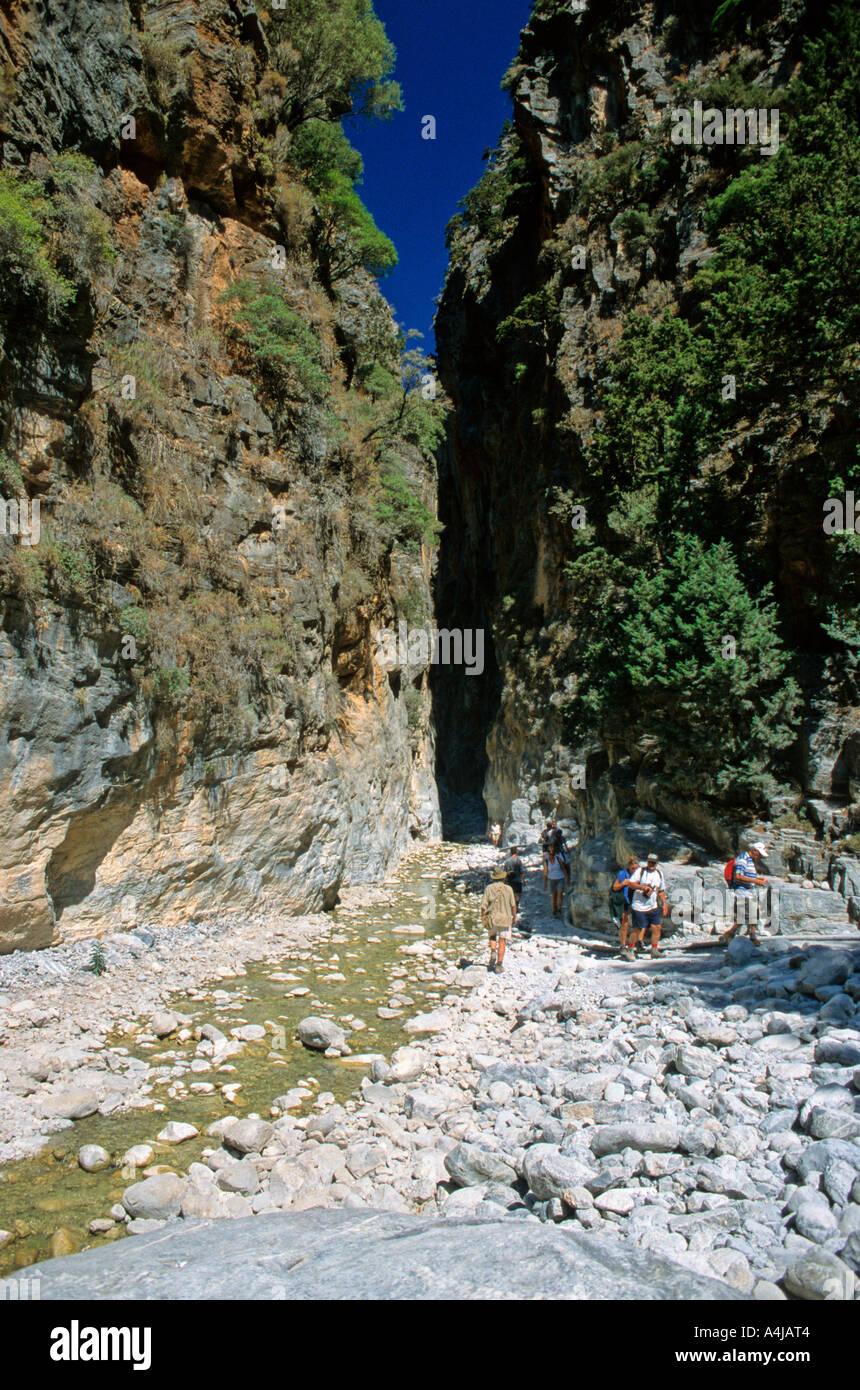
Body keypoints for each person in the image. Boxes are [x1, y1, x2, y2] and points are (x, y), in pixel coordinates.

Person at [721, 841, 769, 946]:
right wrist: (757, 881)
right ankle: (751, 937)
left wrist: (758, 878)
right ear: (754, 851)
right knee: (749, 916)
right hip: (742, 893)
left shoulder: (749, 860)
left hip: (748, 892)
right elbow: (738, 876)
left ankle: (732, 934)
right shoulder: (743, 860)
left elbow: (747, 875)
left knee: (747, 916)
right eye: (760, 854)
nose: (760, 857)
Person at [628, 852, 668, 958]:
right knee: (638, 929)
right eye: (650, 862)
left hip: (652, 906)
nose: (651, 864)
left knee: (657, 927)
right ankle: (630, 949)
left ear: (657, 863)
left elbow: (661, 891)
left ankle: (654, 950)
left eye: (653, 863)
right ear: (647, 862)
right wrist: (643, 888)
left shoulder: (659, 874)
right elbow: (631, 884)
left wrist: (664, 903)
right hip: (639, 906)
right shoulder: (640, 872)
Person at [480, 866, 517, 972]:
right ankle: (499, 964)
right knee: (502, 940)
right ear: (503, 877)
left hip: (492, 918)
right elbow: (513, 905)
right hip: (505, 919)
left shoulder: (488, 888)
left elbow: (483, 906)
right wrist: (514, 917)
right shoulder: (509, 889)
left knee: (492, 935)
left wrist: (483, 916)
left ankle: (492, 951)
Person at [611, 856, 639, 959]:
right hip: (626, 900)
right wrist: (623, 883)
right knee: (625, 924)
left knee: (639, 924)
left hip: (637, 900)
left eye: (636, 868)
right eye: (633, 868)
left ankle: (637, 943)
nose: (634, 870)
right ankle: (623, 946)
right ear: (629, 866)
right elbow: (615, 887)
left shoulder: (640, 874)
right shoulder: (623, 874)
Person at [542, 842, 567, 917]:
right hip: (552, 880)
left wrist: (567, 878)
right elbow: (545, 873)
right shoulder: (546, 861)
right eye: (550, 854)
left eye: (552, 854)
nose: (551, 855)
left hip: (560, 878)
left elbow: (563, 868)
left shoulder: (558, 859)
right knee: (553, 896)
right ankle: (554, 910)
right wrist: (544, 884)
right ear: (548, 854)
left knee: (560, 895)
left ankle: (559, 909)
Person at [502, 840, 525, 919]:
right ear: (516, 852)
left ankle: (511, 907)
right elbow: (522, 871)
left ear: (511, 852)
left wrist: (504, 881)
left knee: (511, 894)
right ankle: (517, 906)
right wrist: (524, 880)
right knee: (517, 894)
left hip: (510, 880)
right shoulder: (518, 861)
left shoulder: (507, 861)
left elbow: (505, 872)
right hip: (518, 880)